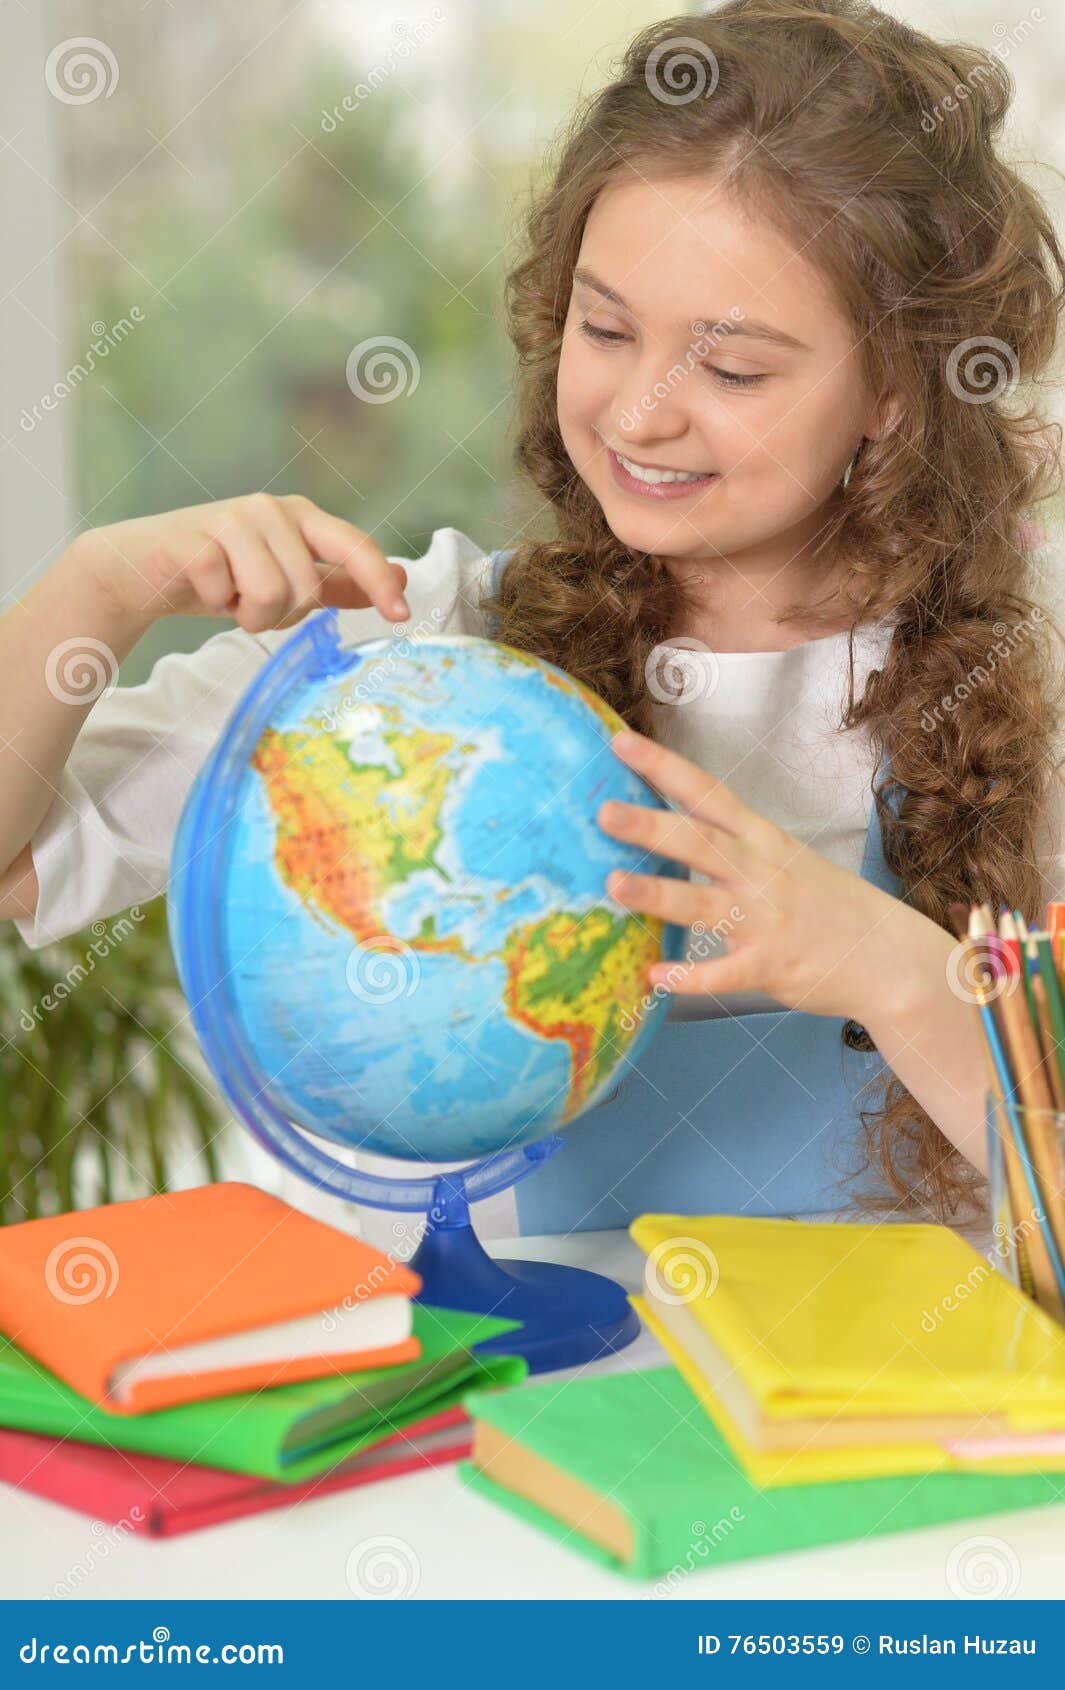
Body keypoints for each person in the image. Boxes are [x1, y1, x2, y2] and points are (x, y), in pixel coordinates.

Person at [3, 0, 1063, 1239]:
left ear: (897, 389)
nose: (641, 414)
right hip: (522, 1370)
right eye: (604, 329)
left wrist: (893, 970)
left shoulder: (1012, 698)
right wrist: (100, 587)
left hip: (895, 1369)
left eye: (732, 369)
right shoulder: (436, 653)